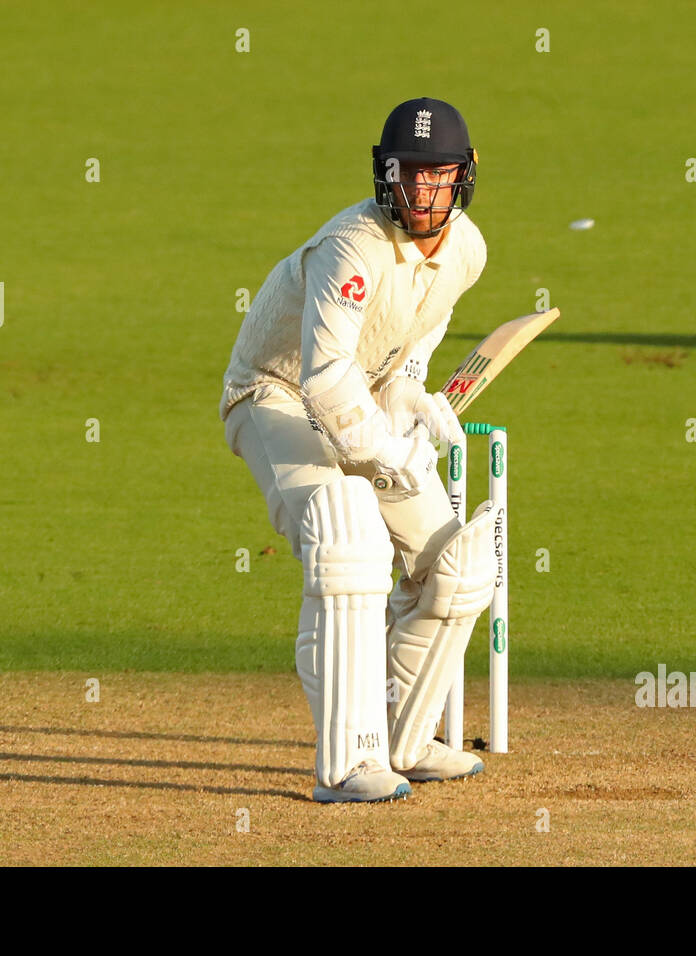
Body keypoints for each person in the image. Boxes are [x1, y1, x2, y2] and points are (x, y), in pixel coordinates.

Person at [219, 97, 496, 803]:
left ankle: (407, 738)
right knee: (348, 537)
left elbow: (418, 331)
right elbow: (323, 374)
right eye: (411, 174)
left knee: (458, 564)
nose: (423, 191)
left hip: (361, 395)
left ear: (463, 178)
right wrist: (381, 450)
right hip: (271, 395)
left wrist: (405, 390)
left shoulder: (469, 251)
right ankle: (348, 763)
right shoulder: (353, 247)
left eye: (438, 176)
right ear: (387, 177)